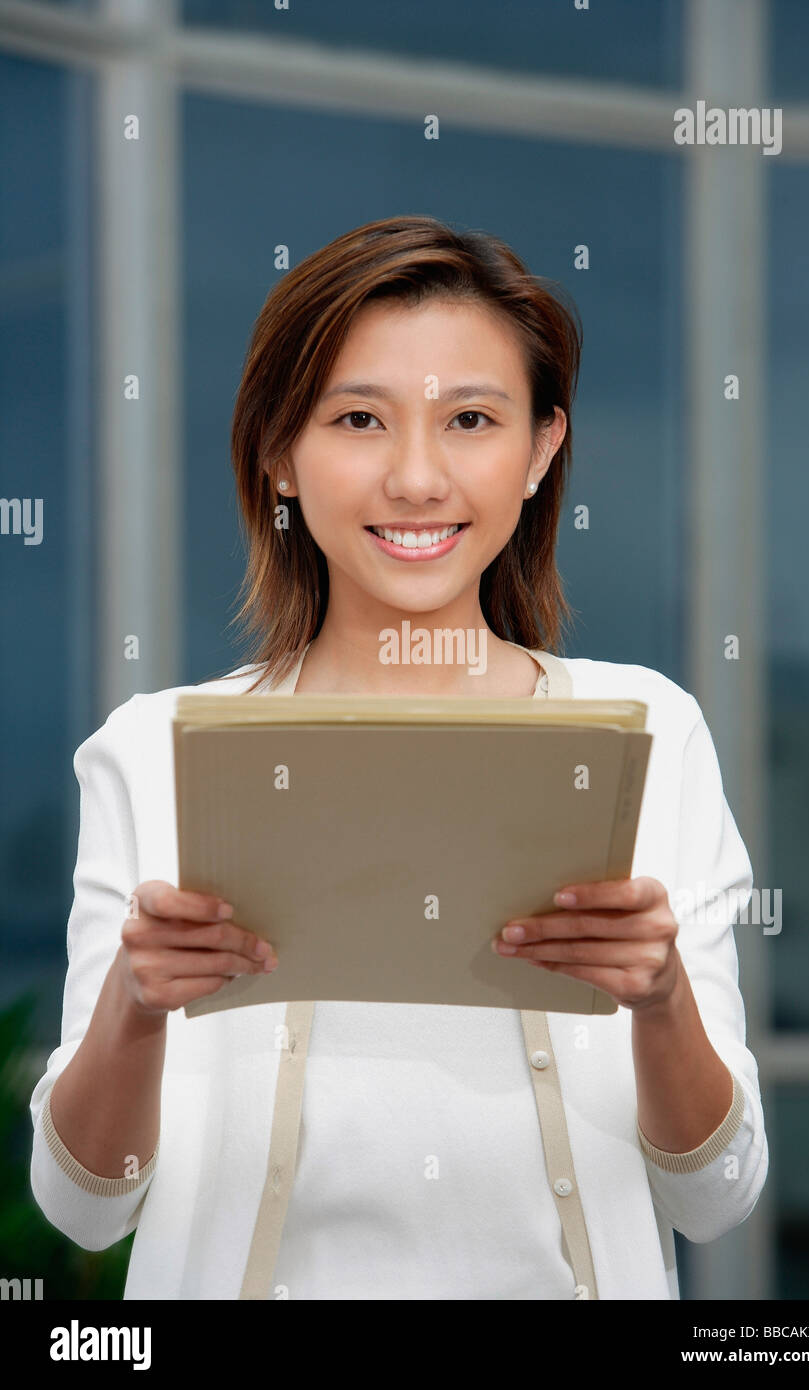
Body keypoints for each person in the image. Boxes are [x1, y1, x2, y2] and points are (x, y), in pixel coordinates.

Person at [30, 214, 768, 1300]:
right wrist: (133, 1009)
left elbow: (717, 1198)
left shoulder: (648, 728)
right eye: (359, 419)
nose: (417, 479)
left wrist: (659, 1001)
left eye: (470, 418)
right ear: (280, 453)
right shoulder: (151, 751)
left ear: (539, 451)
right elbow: (84, 1204)